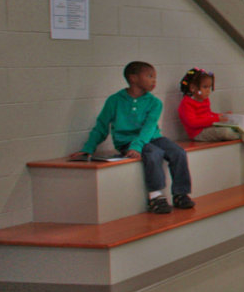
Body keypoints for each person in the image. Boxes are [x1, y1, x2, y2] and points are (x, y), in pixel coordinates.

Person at [71, 61, 194, 215]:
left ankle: (180, 194)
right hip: (127, 142)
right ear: (134, 78)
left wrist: (138, 145)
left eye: (155, 77)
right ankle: (155, 196)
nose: (154, 80)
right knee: (153, 152)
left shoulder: (154, 102)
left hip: (150, 137)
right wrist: (88, 149)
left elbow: (149, 127)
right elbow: (101, 127)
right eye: (150, 76)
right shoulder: (114, 101)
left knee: (178, 152)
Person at [177, 67, 244, 164]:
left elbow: (208, 114)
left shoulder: (205, 99)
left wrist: (222, 115)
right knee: (226, 131)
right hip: (198, 133)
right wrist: (215, 118)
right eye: (204, 87)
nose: (208, 91)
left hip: (208, 126)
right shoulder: (186, 103)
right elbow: (192, 123)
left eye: (209, 87)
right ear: (193, 88)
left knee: (241, 126)